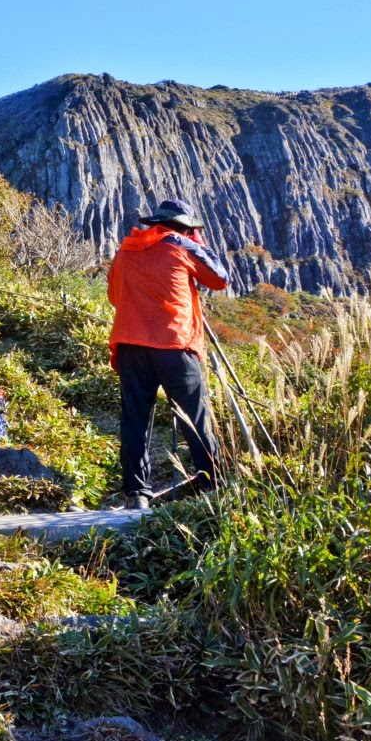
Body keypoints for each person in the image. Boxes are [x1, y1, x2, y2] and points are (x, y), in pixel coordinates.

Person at [106, 197, 230, 509]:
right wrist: (196, 244)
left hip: (132, 345)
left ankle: (137, 494)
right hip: (174, 345)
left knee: (135, 420)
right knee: (195, 418)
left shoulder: (127, 249)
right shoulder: (180, 245)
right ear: (185, 228)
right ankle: (213, 484)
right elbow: (219, 278)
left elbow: (114, 294)